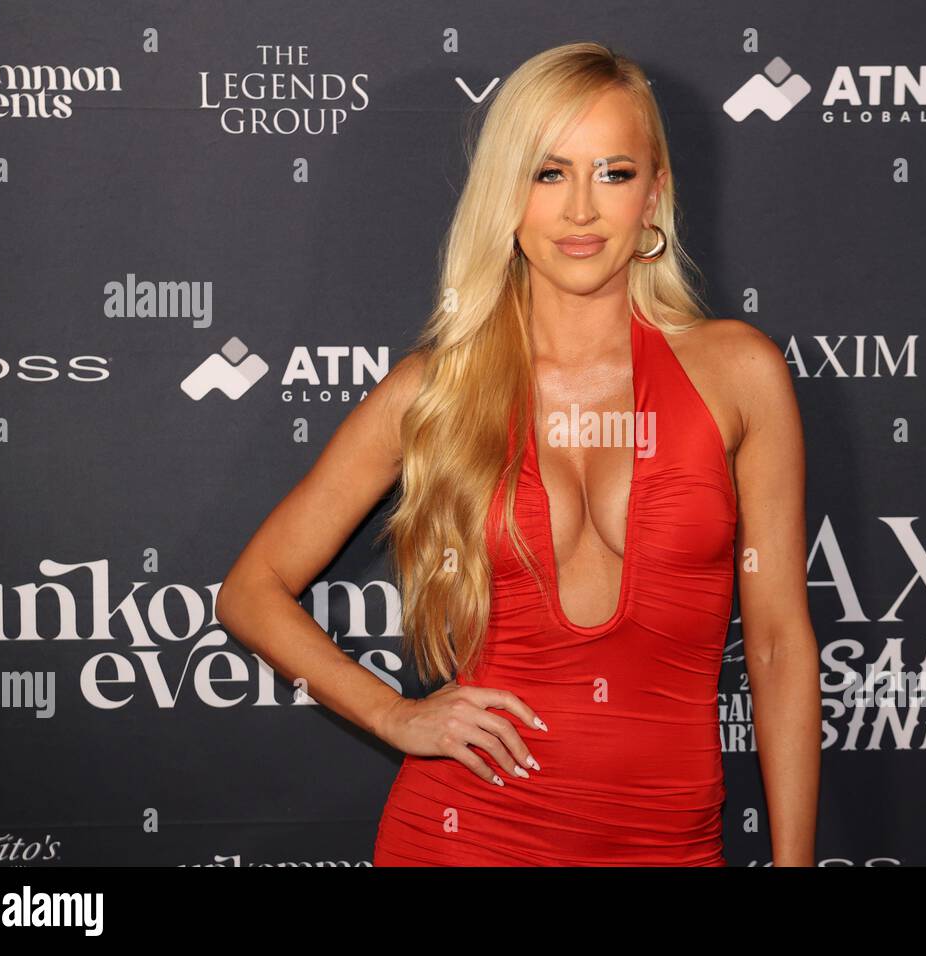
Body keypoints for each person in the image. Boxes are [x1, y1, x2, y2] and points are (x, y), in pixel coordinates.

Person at [216, 41, 820, 866]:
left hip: (668, 842)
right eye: (548, 173)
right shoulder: (436, 389)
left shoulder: (739, 373)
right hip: (465, 836)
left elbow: (779, 646)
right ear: (506, 193)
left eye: (613, 173)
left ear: (654, 193)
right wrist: (395, 714)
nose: (581, 210)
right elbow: (251, 591)